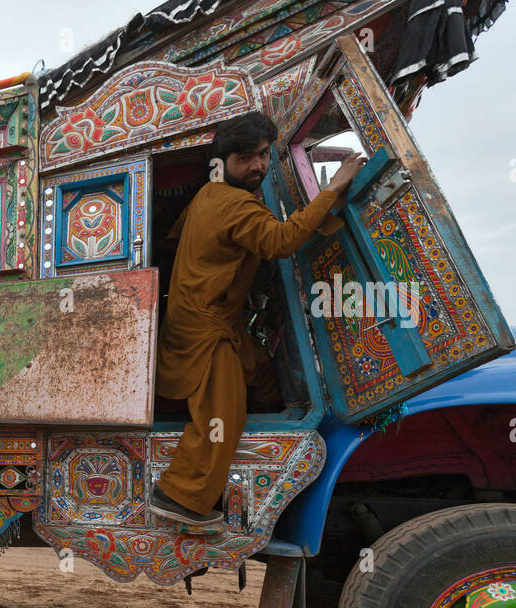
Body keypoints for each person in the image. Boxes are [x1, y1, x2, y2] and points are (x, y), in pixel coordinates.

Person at [151, 110, 365, 527]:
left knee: (263, 373)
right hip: (206, 330)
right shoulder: (233, 205)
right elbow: (282, 241)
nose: (258, 166)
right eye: (246, 158)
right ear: (224, 161)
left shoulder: (208, 194)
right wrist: (336, 185)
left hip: (212, 321)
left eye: (264, 155)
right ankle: (180, 495)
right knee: (222, 418)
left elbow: (181, 236)